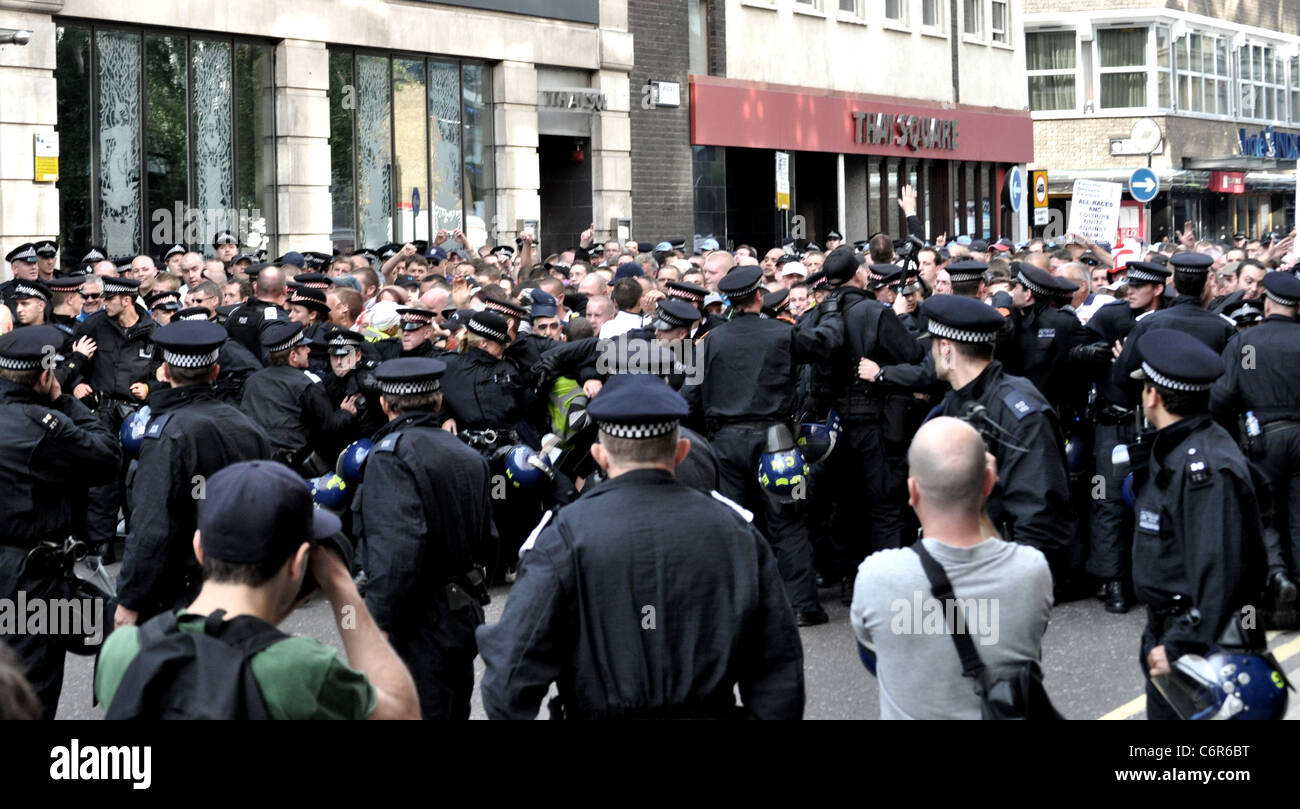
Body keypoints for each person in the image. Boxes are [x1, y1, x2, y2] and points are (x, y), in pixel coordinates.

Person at [477, 373, 806, 719]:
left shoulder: (564, 536)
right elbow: (779, 669)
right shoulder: (735, 532)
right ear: (681, 452)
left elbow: (510, 678)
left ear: (599, 457)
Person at [96, 460, 420, 719]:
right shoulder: (300, 670)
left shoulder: (123, 650)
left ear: (199, 548)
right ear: (299, 562)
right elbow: (404, 712)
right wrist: (340, 587)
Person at [850, 417, 1053, 719]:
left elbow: (872, 655)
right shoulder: (1031, 571)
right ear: (987, 483)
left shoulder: (876, 576)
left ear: (913, 491)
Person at [681, 265, 842, 625]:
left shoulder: (709, 342)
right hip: (776, 440)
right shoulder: (781, 333)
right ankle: (802, 606)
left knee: (737, 522)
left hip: (725, 442)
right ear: (758, 296)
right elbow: (826, 344)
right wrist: (830, 311)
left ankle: (742, 606)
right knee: (788, 521)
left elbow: (688, 397)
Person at [1127, 329, 1269, 719]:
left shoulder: (1204, 468)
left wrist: (1179, 646)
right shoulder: (1186, 448)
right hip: (1174, 631)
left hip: (1197, 643)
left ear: (1153, 395)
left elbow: (1220, 570)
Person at [356, 357, 493, 719]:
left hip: (417, 620)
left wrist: (379, 625)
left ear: (386, 405)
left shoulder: (391, 458)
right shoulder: (469, 456)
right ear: (437, 401)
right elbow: (488, 540)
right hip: (459, 613)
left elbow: (398, 551)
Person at [115, 321, 274, 627]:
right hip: (241, 586)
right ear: (215, 373)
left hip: (180, 593)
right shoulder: (247, 427)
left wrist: (129, 599)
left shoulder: (169, 433)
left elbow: (151, 525)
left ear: (165, 372)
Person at [0, 326, 120, 718]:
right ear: (45, 375)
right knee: (30, 685)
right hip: (30, 580)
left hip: (18, 569)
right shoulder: (42, 425)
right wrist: (66, 402)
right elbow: (105, 456)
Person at [922, 294, 1076, 593]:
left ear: (947, 350)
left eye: (932, 345)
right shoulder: (958, 398)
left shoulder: (1018, 409)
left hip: (999, 577)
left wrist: (1016, 589)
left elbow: (1039, 512)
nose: (930, 354)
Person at [1078, 260, 1169, 613]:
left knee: (1153, 503)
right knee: (1108, 501)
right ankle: (1112, 580)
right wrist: (1096, 355)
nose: (1130, 289)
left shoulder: (1169, 318)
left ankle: (1152, 581)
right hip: (1113, 424)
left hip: (1153, 426)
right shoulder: (1111, 316)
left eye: (1139, 285)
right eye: (1129, 283)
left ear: (1158, 289)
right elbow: (1075, 352)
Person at [1210, 271, 1300, 619]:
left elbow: (1222, 397)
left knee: (1264, 512)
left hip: (1263, 437)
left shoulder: (1246, 344)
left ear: (1267, 302)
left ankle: (1275, 578)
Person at [240, 320, 358, 474]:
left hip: (252, 461)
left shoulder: (252, 381)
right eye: (304, 347)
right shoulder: (306, 385)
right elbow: (329, 427)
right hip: (290, 468)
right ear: (293, 355)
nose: (309, 350)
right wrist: (346, 413)